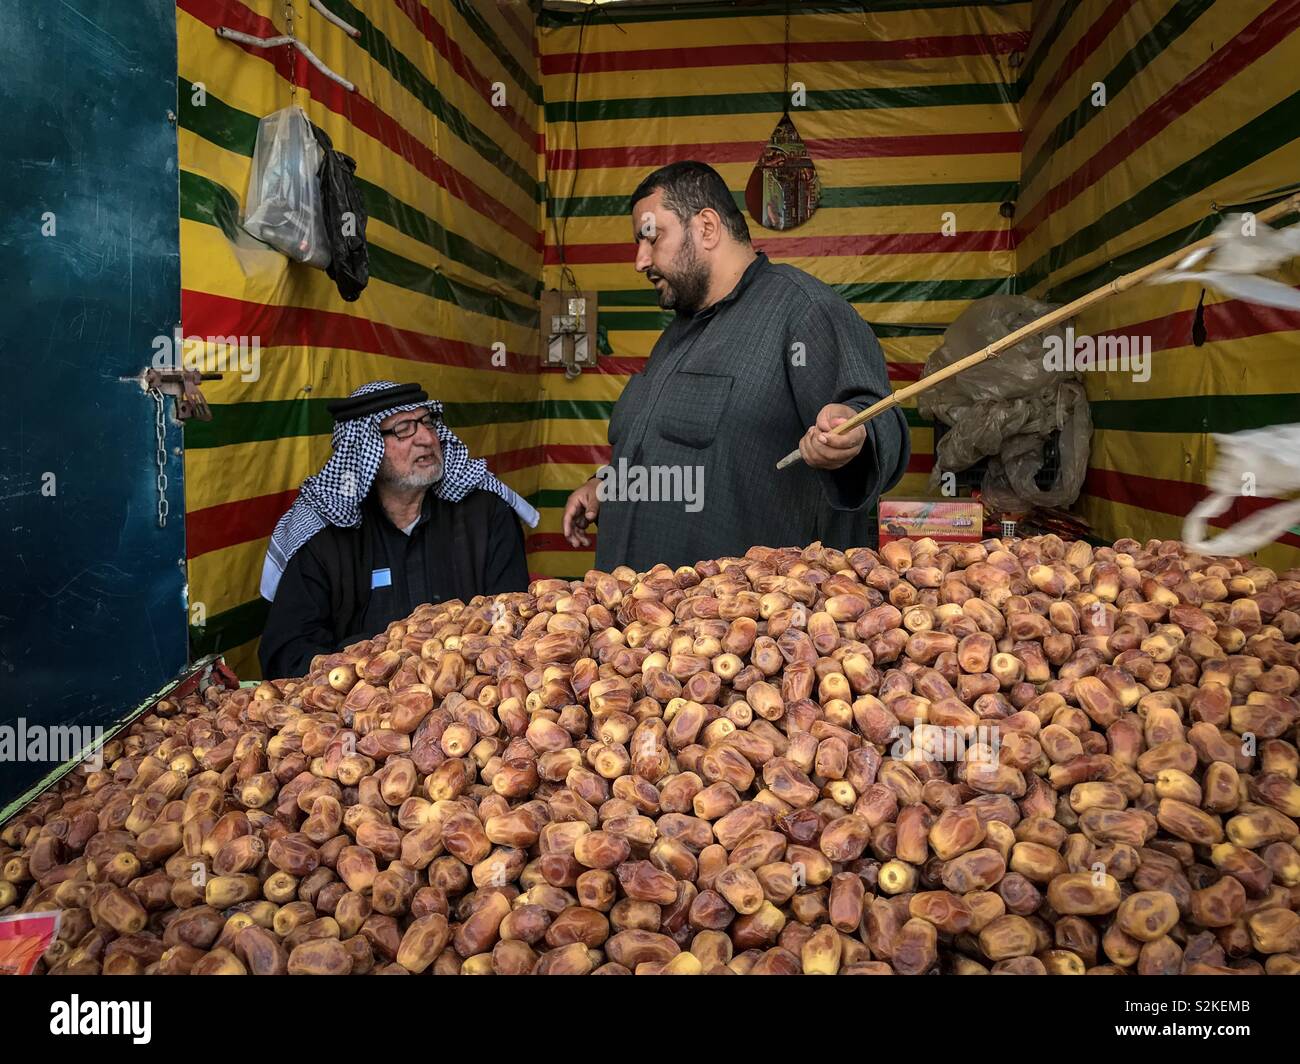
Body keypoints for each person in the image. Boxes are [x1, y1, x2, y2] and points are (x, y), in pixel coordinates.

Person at [562, 160, 909, 573]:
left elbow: (877, 418)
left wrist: (854, 432)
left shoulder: (802, 310)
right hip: (639, 622)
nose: (640, 260)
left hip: (739, 626)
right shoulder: (676, 334)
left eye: (651, 237)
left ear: (706, 227)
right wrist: (607, 486)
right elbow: (662, 449)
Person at [258, 380, 537, 678]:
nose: (427, 439)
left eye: (428, 423)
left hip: (468, 703)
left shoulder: (485, 514)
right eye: (403, 429)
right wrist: (369, 665)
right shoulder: (323, 535)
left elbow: (517, 622)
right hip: (359, 712)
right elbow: (288, 654)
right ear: (364, 448)